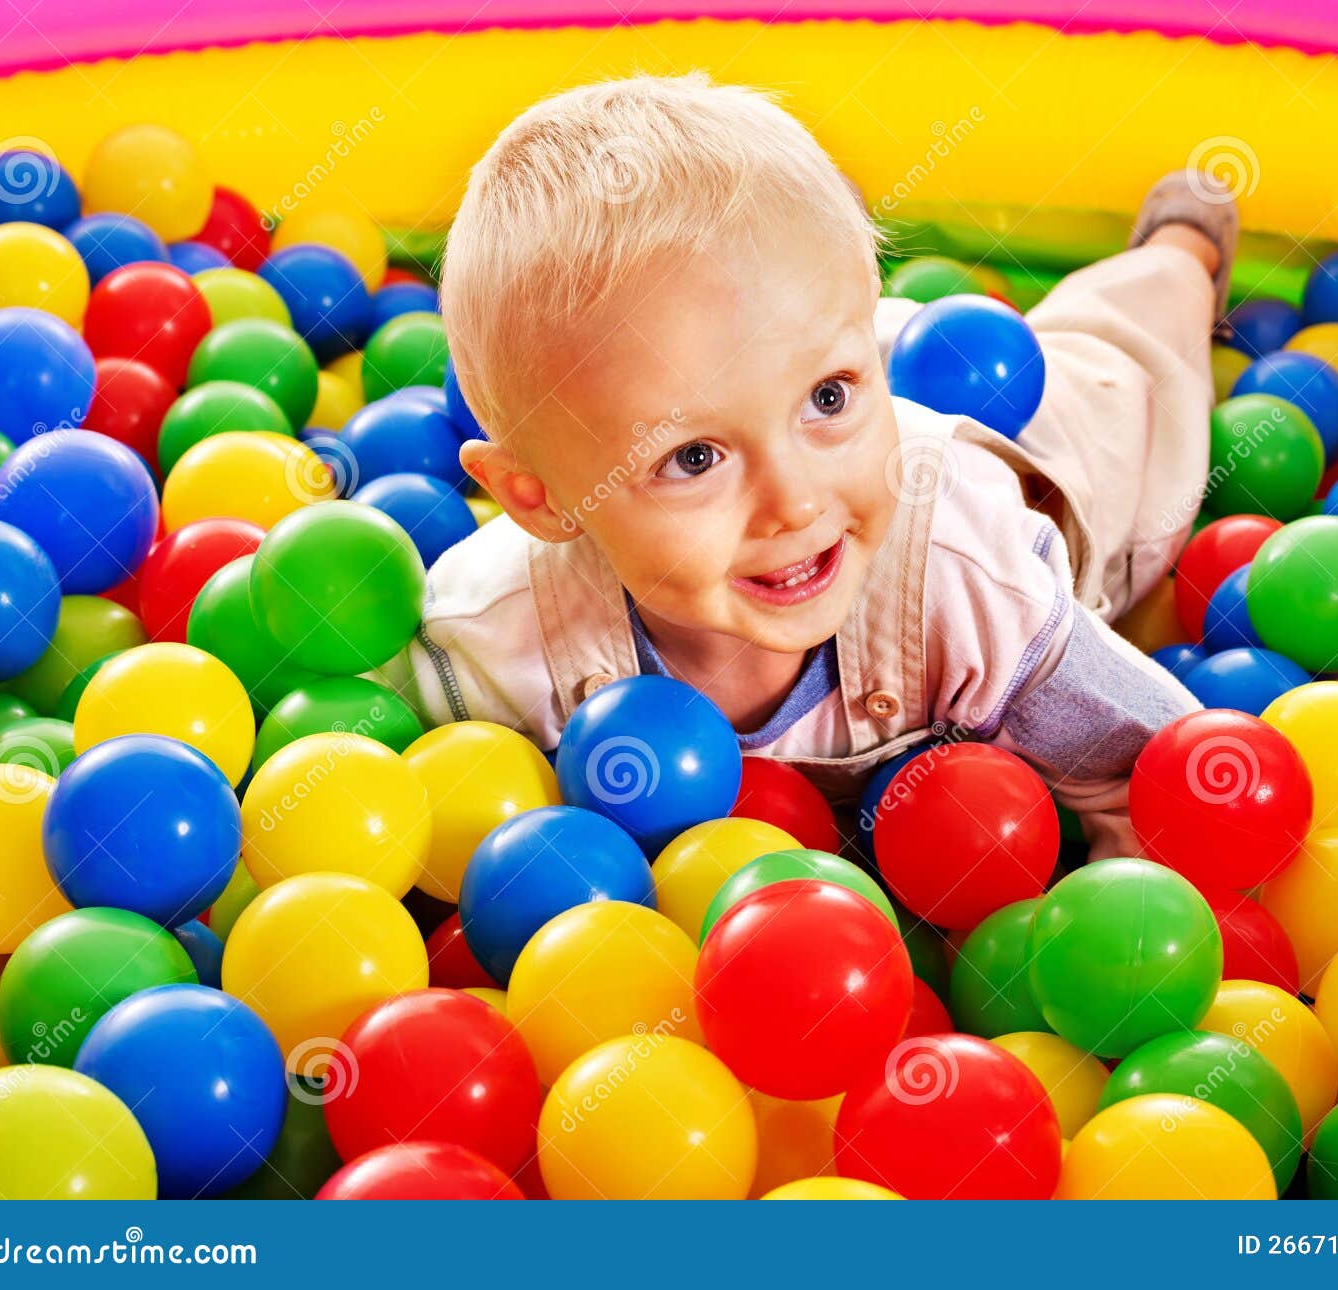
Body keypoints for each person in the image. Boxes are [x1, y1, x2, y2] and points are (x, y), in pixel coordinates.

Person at [381, 72, 1236, 856]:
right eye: (694, 458)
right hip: (847, 396)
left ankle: (1178, 250)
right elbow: (385, 786)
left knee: (1122, 374)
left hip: (1018, 478)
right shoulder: (498, 637)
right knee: (785, 371)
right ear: (538, 499)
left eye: (829, 395)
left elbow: (1164, 780)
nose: (792, 505)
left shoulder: (968, 578)